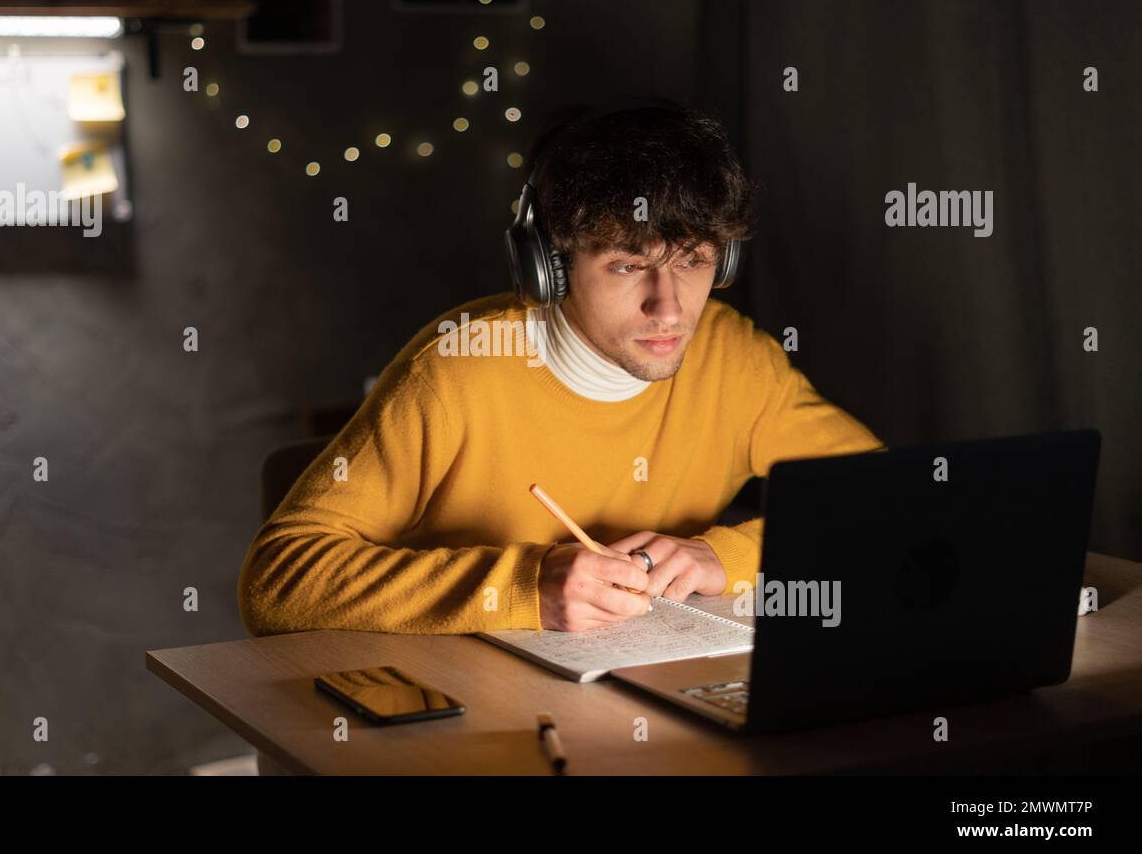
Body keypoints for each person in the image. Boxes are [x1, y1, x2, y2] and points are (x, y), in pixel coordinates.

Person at [238, 98, 885, 635]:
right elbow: (277, 582)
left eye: (693, 259)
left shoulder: (737, 359)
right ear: (548, 265)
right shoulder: (458, 368)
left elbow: (888, 499)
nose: (671, 307)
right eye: (628, 265)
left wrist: (729, 555)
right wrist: (520, 588)